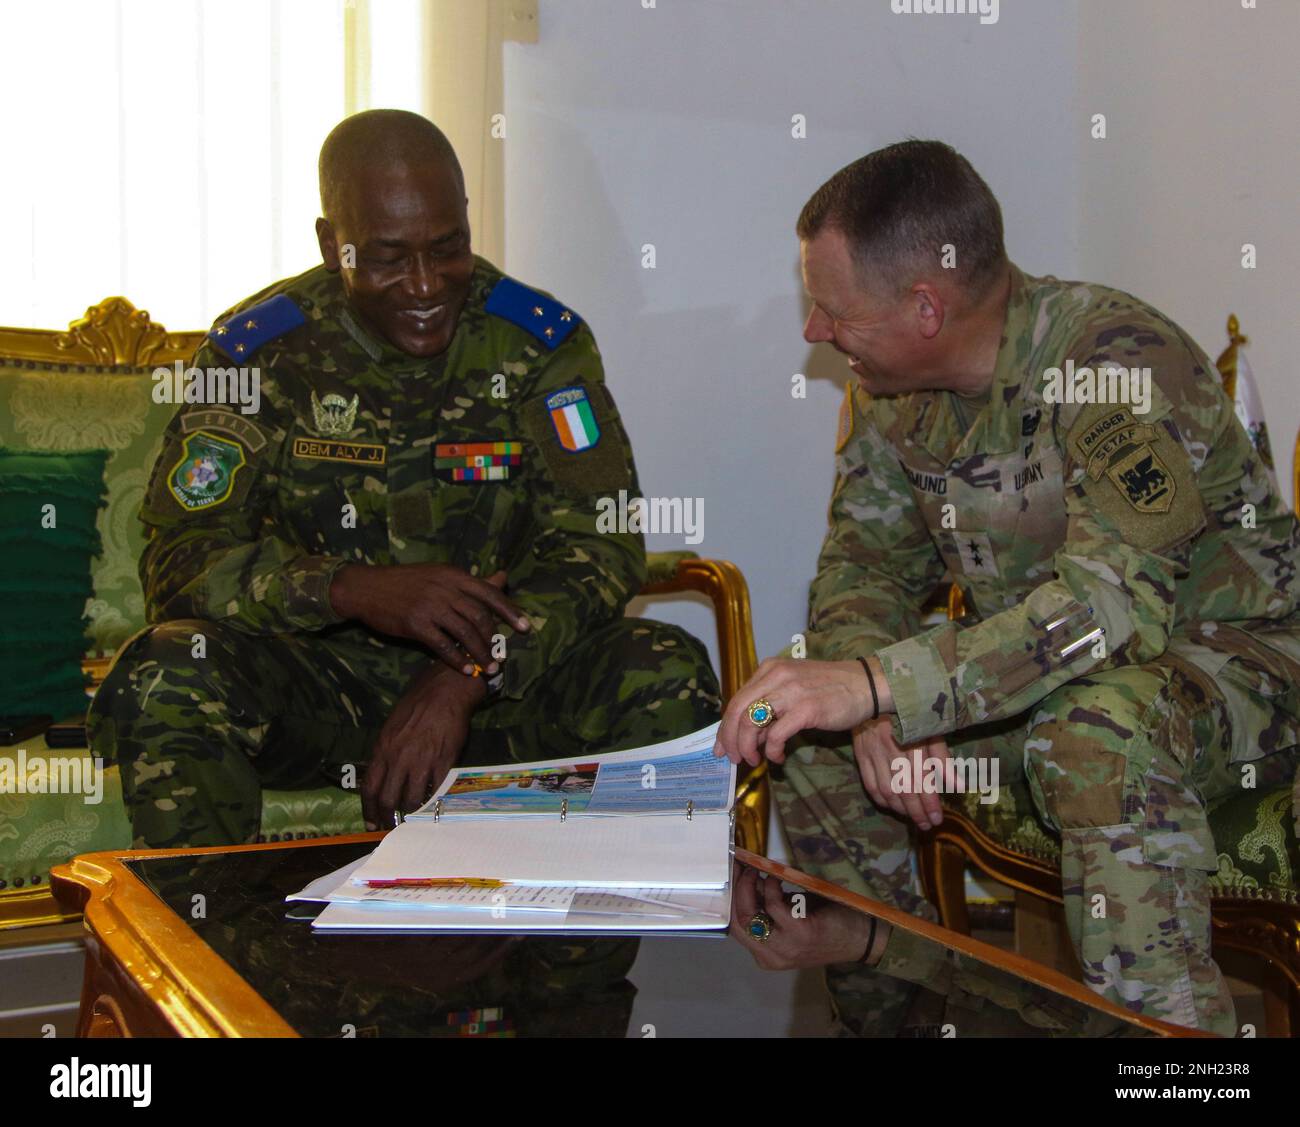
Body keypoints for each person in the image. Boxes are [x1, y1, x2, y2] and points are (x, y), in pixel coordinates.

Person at [716, 140, 1300, 1037]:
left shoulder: (1113, 367)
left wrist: (882, 683)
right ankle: (904, 1016)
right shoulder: (892, 393)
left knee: (1098, 735)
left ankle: (1177, 1064)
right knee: (810, 738)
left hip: (1231, 665)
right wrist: (873, 711)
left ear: (925, 306)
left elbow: (1109, 611)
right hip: (1042, 672)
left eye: (834, 312)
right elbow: (861, 567)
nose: (815, 334)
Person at [89, 109, 720, 852]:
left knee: (664, 669)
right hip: (320, 685)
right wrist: (351, 589)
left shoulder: (536, 344)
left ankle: (575, 961)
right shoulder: (257, 354)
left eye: (447, 248)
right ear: (333, 244)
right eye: (389, 257)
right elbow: (183, 561)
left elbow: (601, 541)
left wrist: (468, 673)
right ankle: (213, 949)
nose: (426, 284)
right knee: (169, 670)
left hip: (498, 692)